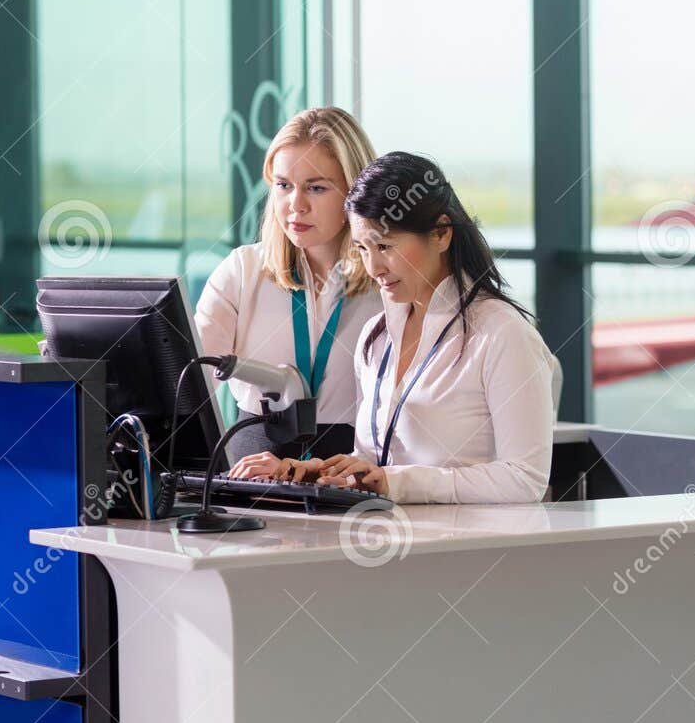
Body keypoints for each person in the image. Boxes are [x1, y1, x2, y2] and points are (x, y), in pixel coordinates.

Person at [229, 152, 557, 504]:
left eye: (384, 246)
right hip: (388, 537)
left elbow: (525, 480)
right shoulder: (376, 337)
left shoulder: (502, 334)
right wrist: (315, 472)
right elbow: (377, 464)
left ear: (441, 234)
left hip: (465, 548)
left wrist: (393, 483)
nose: (374, 267)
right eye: (362, 248)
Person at [195, 107, 381, 460]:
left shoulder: (387, 281)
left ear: (356, 192)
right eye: (283, 186)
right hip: (255, 464)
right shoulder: (242, 269)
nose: (296, 205)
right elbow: (192, 374)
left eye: (316, 188)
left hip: (352, 465)